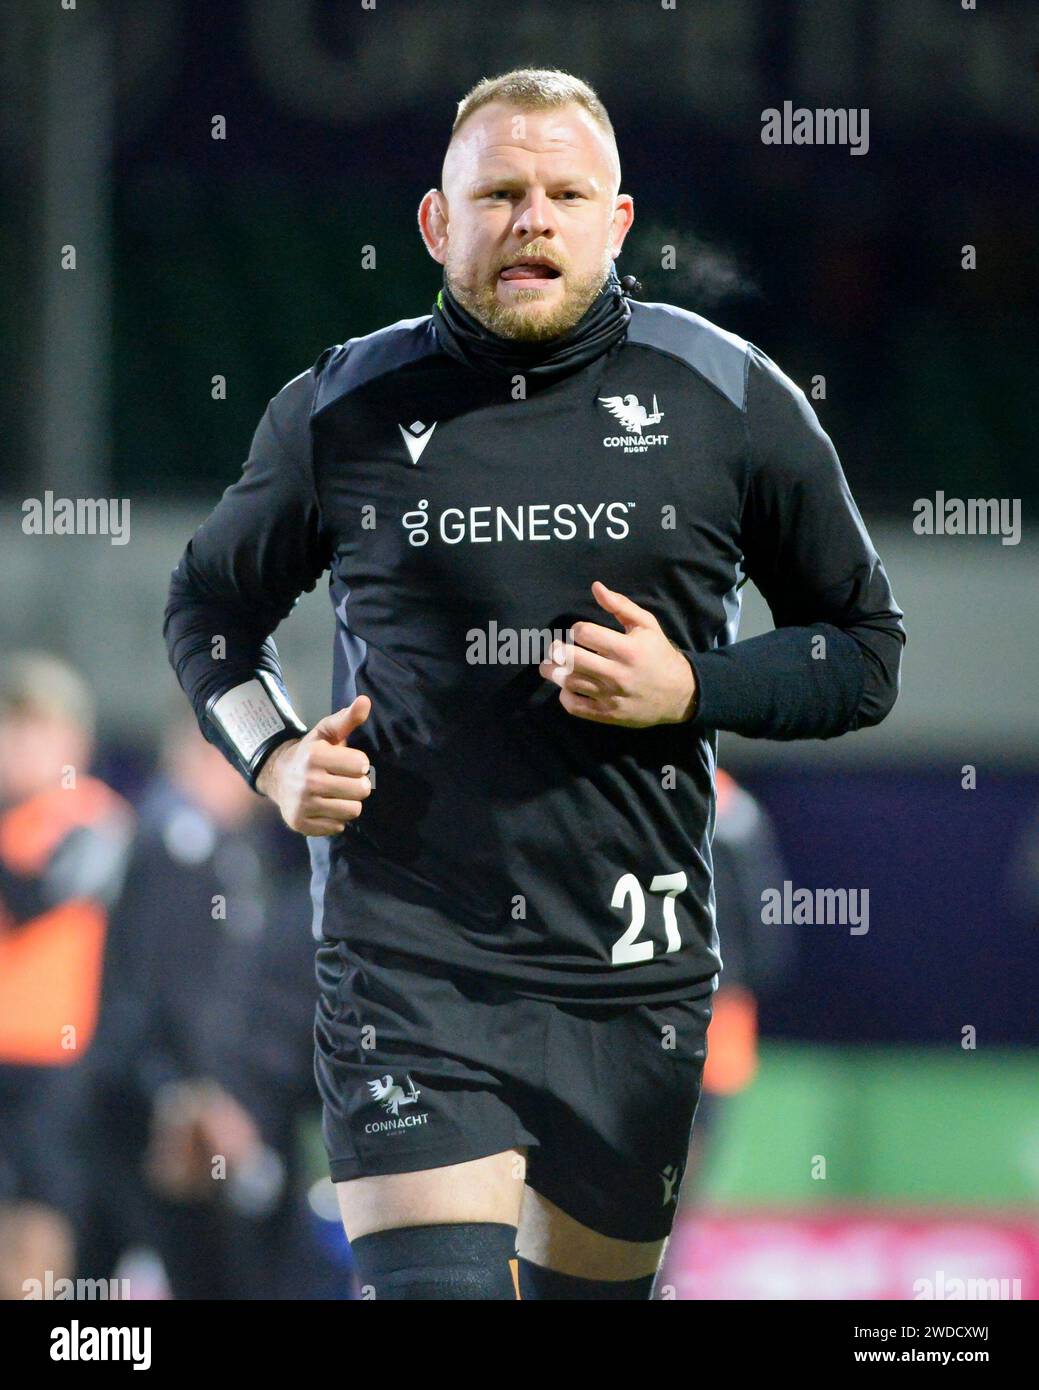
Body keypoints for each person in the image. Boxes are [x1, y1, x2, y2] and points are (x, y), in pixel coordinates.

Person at [164, 67, 905, 1300]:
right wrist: (275, 754)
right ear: (436, 223)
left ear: (616, 222)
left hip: (631, 977)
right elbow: (210, 609)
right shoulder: (344, 407)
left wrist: (693, 686)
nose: (533, 218)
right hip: (408, 959)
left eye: (566, 192)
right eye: (499, 191)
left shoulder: (726, 395)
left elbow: (862, 649)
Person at [0, 653, 131, 1299]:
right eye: (12, 729)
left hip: (53, 1064)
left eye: (37, 730)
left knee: (39, 1226)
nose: (19, 747)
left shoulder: (93, 816)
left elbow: (39, 895)